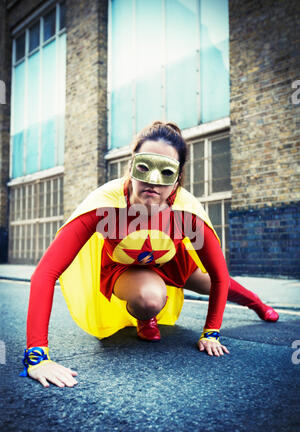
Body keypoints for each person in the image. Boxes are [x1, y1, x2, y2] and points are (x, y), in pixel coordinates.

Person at [20, 121, 279, 388]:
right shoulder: (104, 203)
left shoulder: (186, 211)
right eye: (144, 167)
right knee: (149, 297)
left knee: (211, 283)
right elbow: (46, 272)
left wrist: (211, 333)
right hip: (126, 268)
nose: (152, 181)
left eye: (166, 172)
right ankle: (146, 318)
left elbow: (220, 275)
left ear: (178, 177)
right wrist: (37, 356)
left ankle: (257, 304)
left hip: (171, 260)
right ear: (131, 166)